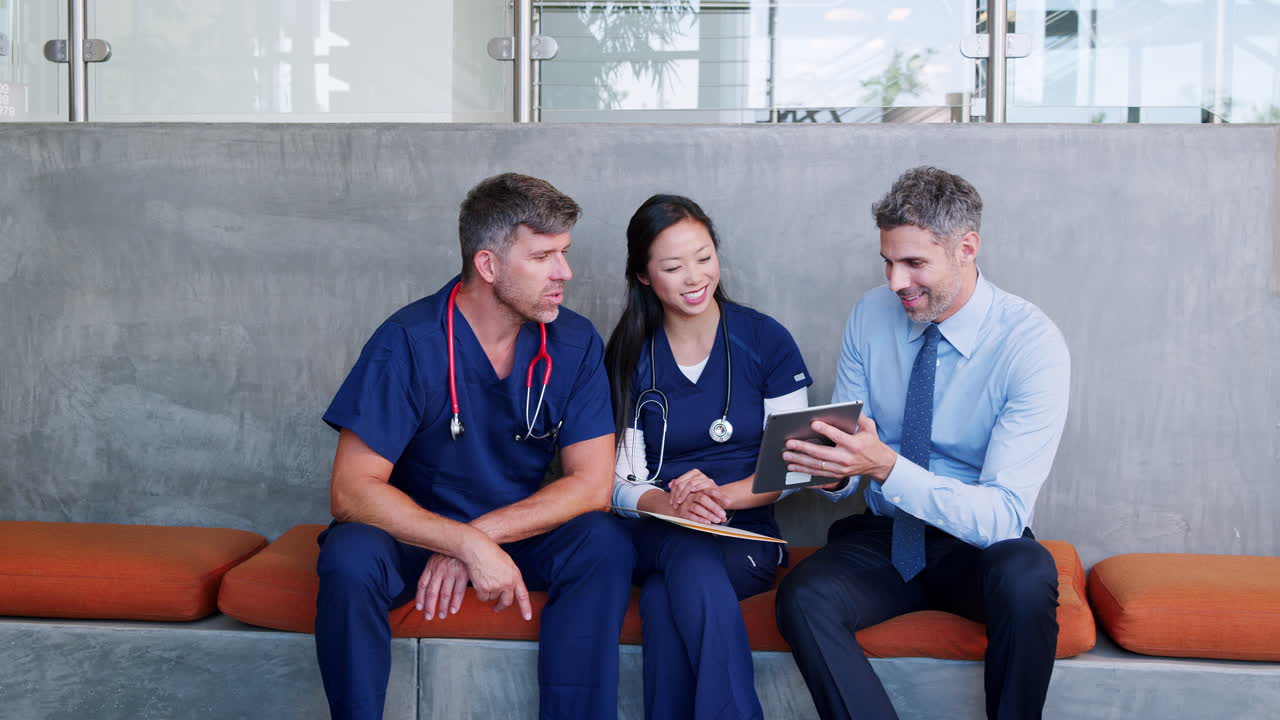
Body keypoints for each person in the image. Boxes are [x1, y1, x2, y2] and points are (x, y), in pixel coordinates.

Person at [315, 173, 634, 720]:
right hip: (413, 537)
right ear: (488, 266)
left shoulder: (574, 341)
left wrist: (477, 541)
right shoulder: (410, 341)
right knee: (349, 557)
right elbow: (350, 491)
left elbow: (592, 484)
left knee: (604, 542)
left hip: (516, 532)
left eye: (565, 253)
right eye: (543, 256)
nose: (565, 273)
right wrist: (457, 542)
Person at [776, 167, 1071, 720]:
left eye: (915, 263)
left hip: (977, 546)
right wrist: (836, 471)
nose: (895, 282)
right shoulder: (870, 314)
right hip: (887, 537)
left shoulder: (1030, 345)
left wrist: (886, 467)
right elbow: (851, 445)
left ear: (966, 248)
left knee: (1027, 575)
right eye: (888, 261)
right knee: (803, 597)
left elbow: (1004, 516)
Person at [604, 194, 814, 720]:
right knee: (685, 552)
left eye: (704, 257)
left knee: (661, 600)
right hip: (656, 533)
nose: (695, 276)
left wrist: (715, 497)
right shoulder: (629, 354)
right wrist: (670, 504)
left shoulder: (765, 340)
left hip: (744, 536)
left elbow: (796, 466)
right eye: (673, 267)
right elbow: (616, 482)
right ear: (644, 276)